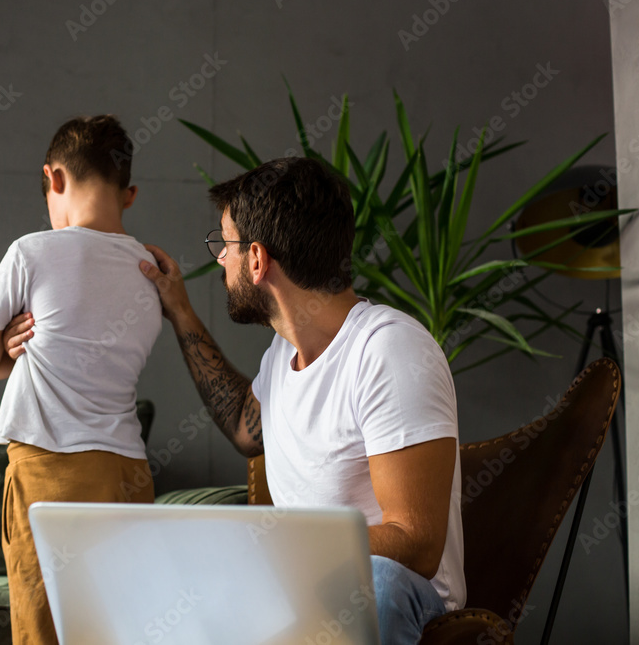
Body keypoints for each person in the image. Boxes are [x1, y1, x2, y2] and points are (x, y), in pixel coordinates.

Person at [135, 156, 465, 645]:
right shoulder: (282, 356)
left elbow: (415, 544)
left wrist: (272, 549)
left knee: (374, 581)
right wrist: (180, 311)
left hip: (398, 599)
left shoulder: (388, 349)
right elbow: (247, 429)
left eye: (224, 245)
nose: (220, 260)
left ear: (256, 259)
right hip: (298, 587)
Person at [0, 115, 162, 645]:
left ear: (53, 178)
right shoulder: (153, 270)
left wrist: (11, 352)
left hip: (50, 471)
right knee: (120, 629)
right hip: (129, 473)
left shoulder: (32, 253)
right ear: (130, 194)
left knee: (44, 632)